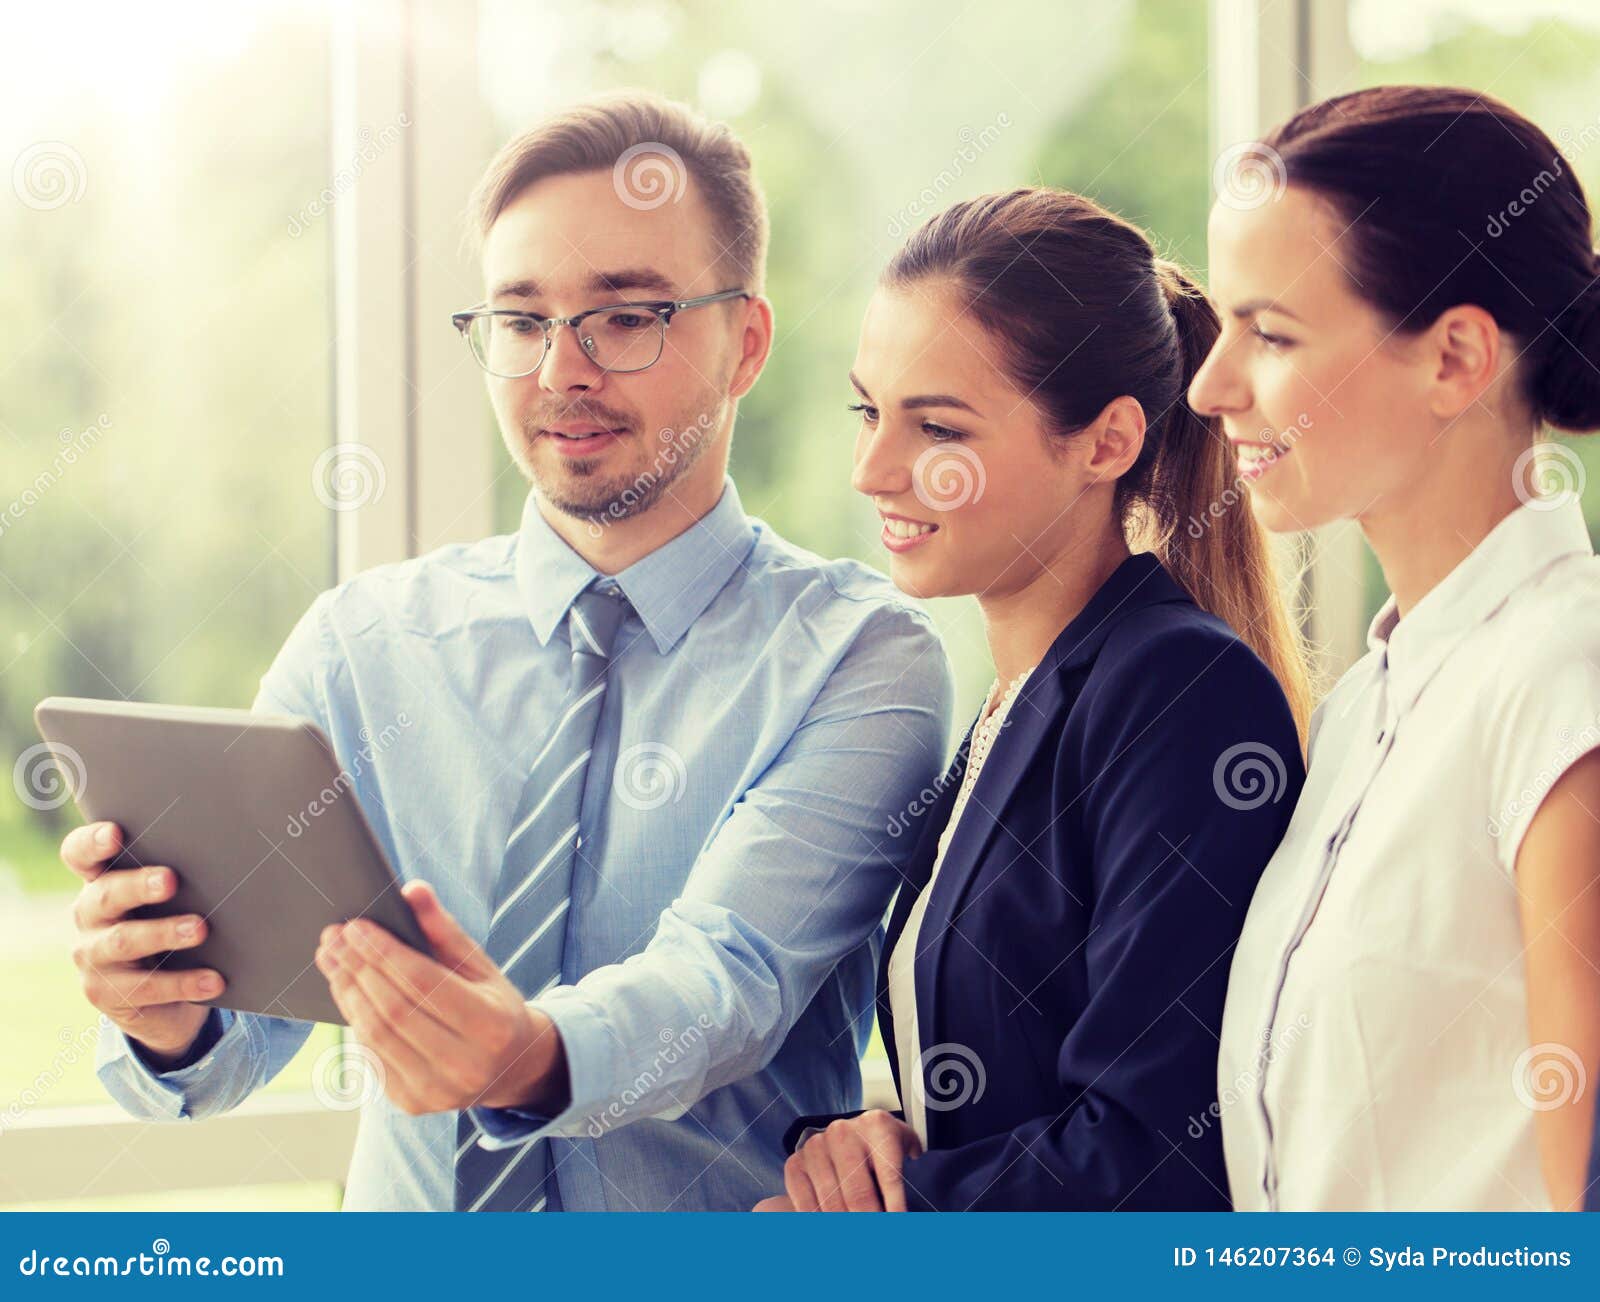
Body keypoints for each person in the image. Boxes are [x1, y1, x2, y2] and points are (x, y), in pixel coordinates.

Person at [63, 89, 955, 1212]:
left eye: (626, 316)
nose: (559, 372)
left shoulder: (861, 658)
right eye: (522, 321)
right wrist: (168, 1009)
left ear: (746, 343)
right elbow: (235, 1043)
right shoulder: (362, 647)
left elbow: (726, 982)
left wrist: (525, 1056)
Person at [758, 186, 1309, 1212]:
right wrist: (860, 1147)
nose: (871, 469)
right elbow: (1008, 1087)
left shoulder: (1177, 692)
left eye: (936, 428)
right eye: (867, 411)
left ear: (1104, 443)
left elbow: (1153, 1152)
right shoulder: (1024, 699)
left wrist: (871, 1222)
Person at [1199, 85, 1600, 1212]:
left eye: (1269, 334)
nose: (1209, 386)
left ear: (1455, 359)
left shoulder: (1565, 677)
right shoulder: (1365, 705)